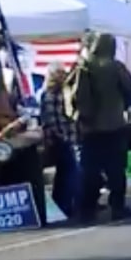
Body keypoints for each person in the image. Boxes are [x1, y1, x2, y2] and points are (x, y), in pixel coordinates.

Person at [72, 33, 131, 223]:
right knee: (116, 170)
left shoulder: (83, 66)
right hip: (114, 125)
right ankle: (118, 207)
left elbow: (75, 96)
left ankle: (87, 208)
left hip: (89, 128)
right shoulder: (116, 67)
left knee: (89, 171)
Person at [39, 63, 81, 218]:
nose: (64, 76)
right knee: (70, 173)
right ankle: (65, 205)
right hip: (61, 140)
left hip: (64, 138)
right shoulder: (51, 94)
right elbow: (51, 120)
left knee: (64, 173)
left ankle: (62, 204)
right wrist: (62, 138)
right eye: (61, 73)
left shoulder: (58, 93)